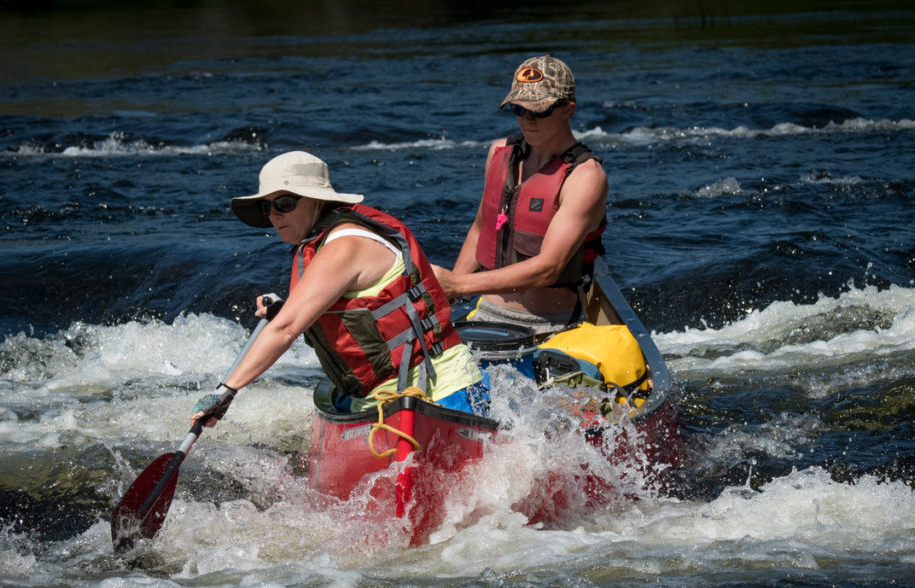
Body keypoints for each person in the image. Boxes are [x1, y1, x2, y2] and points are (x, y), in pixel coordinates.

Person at [192, 151, 484, 426]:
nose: (274, 215)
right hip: (379, 397)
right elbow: (330, 308)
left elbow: (285, 330)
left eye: (284, 203)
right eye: (266, 207)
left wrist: (226, 391)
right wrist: (285, 308)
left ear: (316, 200)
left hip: (438, 391)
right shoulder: (318, 241)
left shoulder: (345, 245)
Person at [432, 55, 608, 337]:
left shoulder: (585, 177)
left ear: (568, 109)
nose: (527, 120)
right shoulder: (500, 153)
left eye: (539, 111)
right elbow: (480, 230)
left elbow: (548, 269)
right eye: (518, 109)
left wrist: (458, 284)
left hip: (550, 325)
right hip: (486, 315)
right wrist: (447, 296)